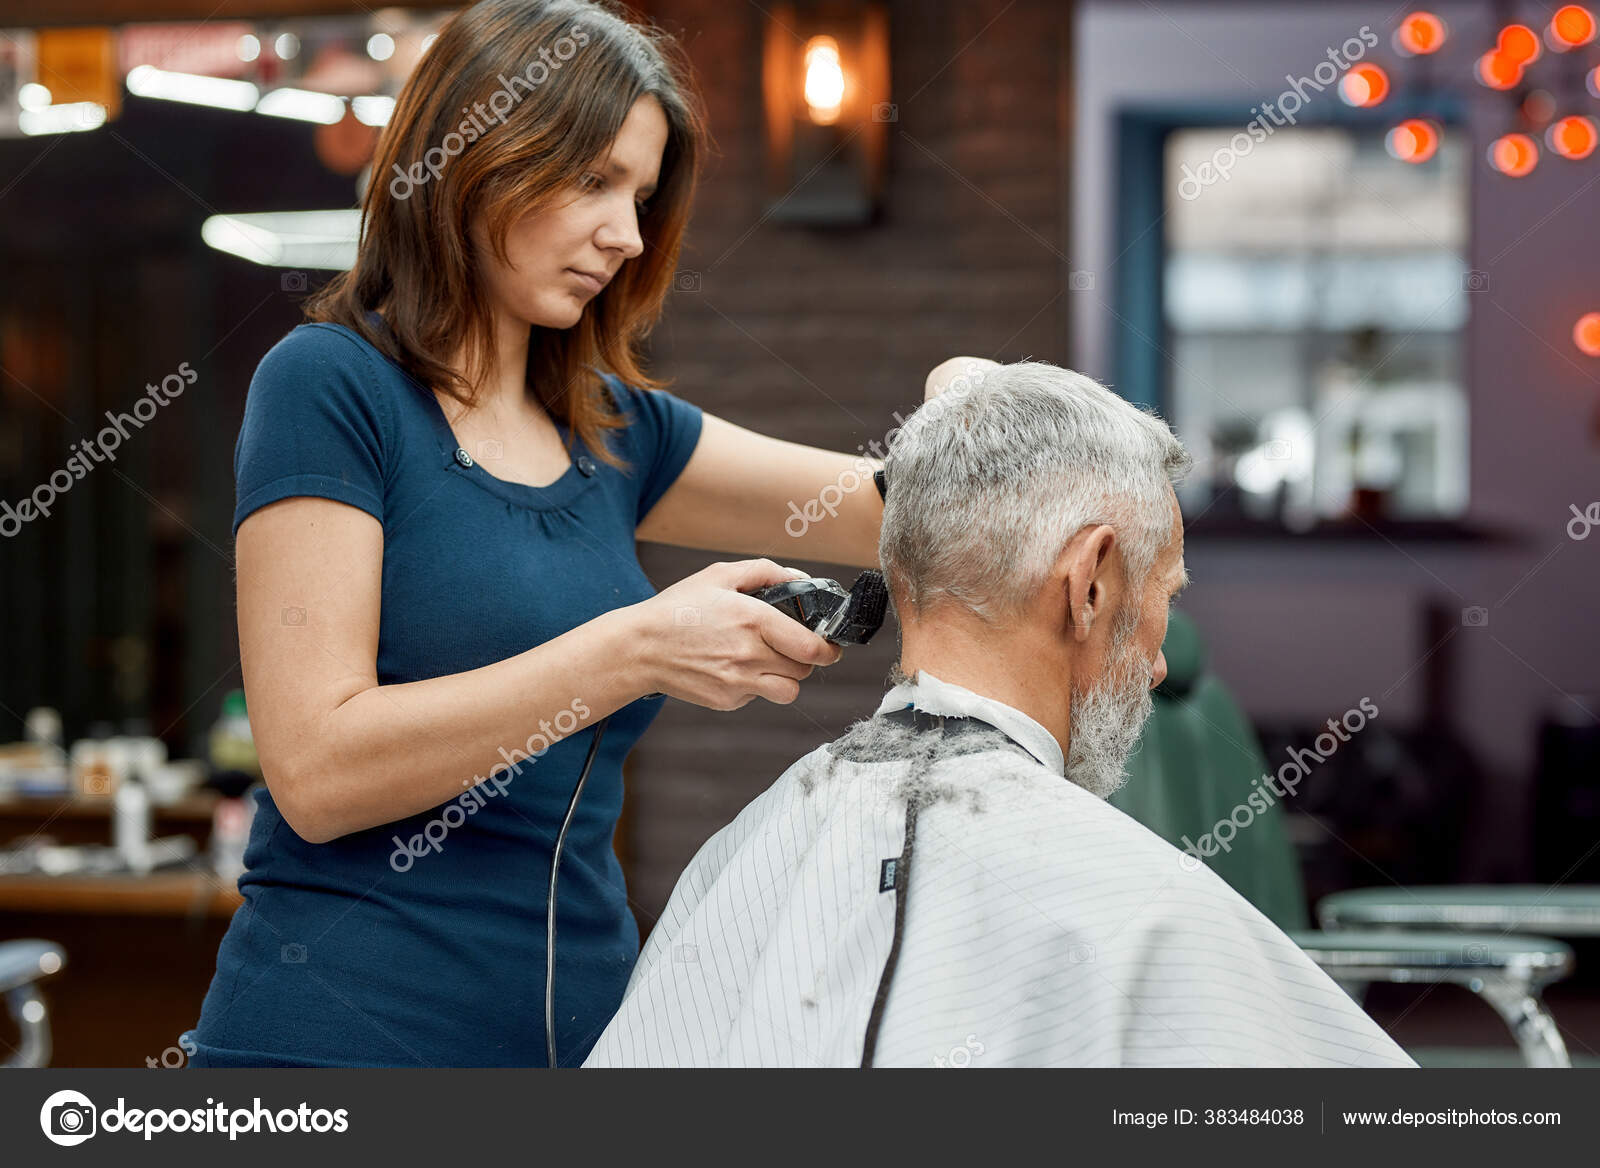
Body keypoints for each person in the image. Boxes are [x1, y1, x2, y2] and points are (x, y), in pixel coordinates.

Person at [184, 0, 932, 1068]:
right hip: (336, 1046)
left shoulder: (613, 428)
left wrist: (973, 417)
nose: (627, 235)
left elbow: (893, 508)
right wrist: (634, 649)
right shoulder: (331, 388)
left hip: (583, 1043)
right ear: (476, 159)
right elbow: (317, 766)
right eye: (594, 182)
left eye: (639, 194)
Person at [584, 360, 1417, 1068]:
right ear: (1089, 583)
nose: (1160, 663)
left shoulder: (738, 860)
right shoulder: (1149, 910)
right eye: (1163, 593)